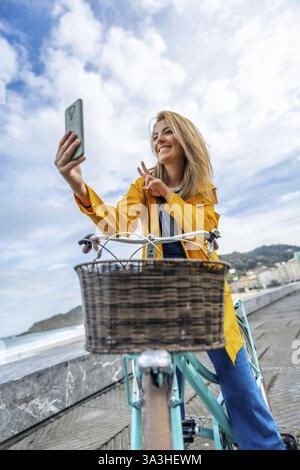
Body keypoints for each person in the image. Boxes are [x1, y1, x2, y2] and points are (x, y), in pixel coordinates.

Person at [54, 110, 285, 450]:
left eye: (166, 132)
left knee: (236, 377)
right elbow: (114, 224)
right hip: (160, 294)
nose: (158, 139)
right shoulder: (142, 187)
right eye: (154, 135)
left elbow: (202, 231)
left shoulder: (201, 187)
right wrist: (77, 182)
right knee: (159, 383)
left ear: (183, 137)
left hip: (205, 291)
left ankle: (266, 446)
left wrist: (167, 193)